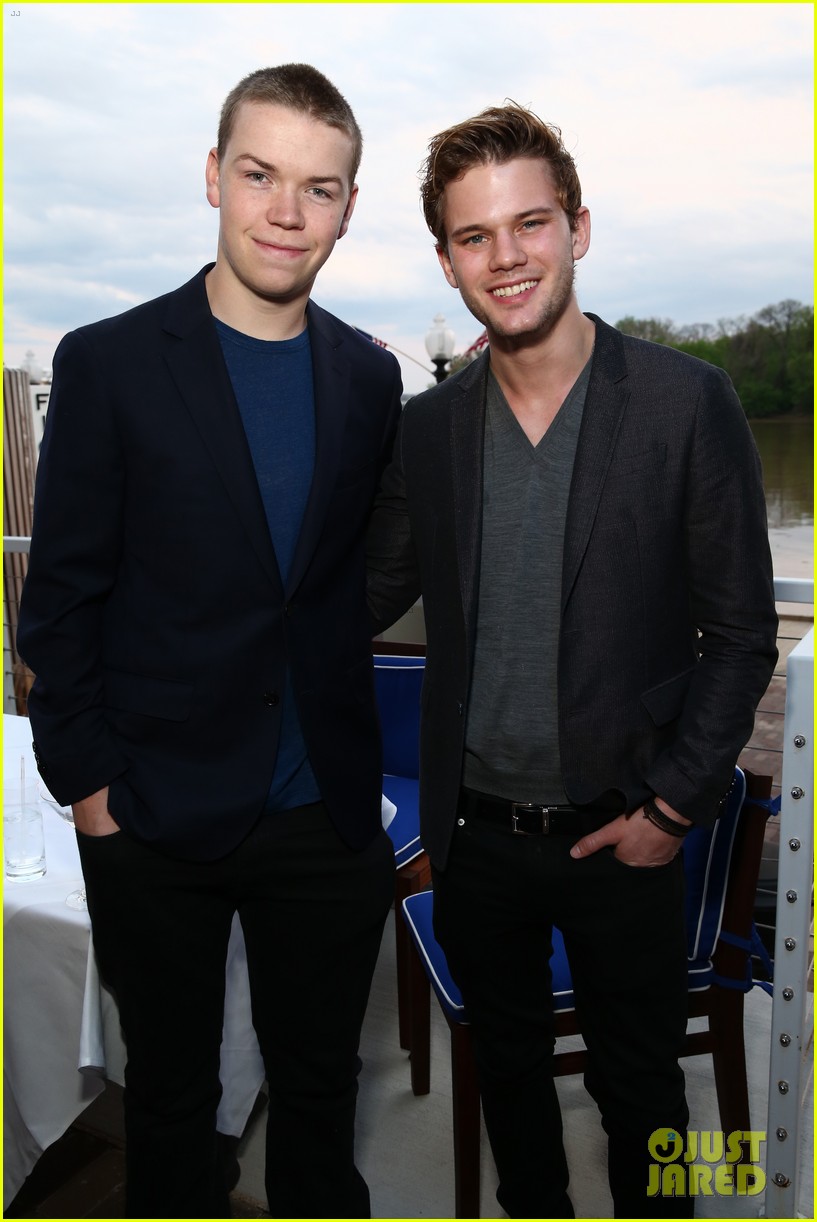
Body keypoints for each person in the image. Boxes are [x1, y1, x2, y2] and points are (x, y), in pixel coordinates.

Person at [366, 103, 778, 1218]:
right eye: (472, 236)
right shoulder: (431, 428)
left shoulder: (690, 402)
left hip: (628, 834)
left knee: (646, 1093)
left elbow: (739, 634)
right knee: (507, 1082)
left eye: (529, 223)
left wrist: (672, 809)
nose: (505, 258)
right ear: (447, 259)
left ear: (578, 228)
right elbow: (359, 593)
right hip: (476, 840)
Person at [18, 64, 403, 1219]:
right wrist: (88, 786)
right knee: (174, 1112)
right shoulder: (110, 361)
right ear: (213, 178)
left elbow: (339, 582)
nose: (287, 211)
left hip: (321, 815)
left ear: (345, 205)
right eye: (260, 174)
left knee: (320, 1104)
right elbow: (62, 595)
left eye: (319, 186)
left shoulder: (369, 375)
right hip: (153, 811)